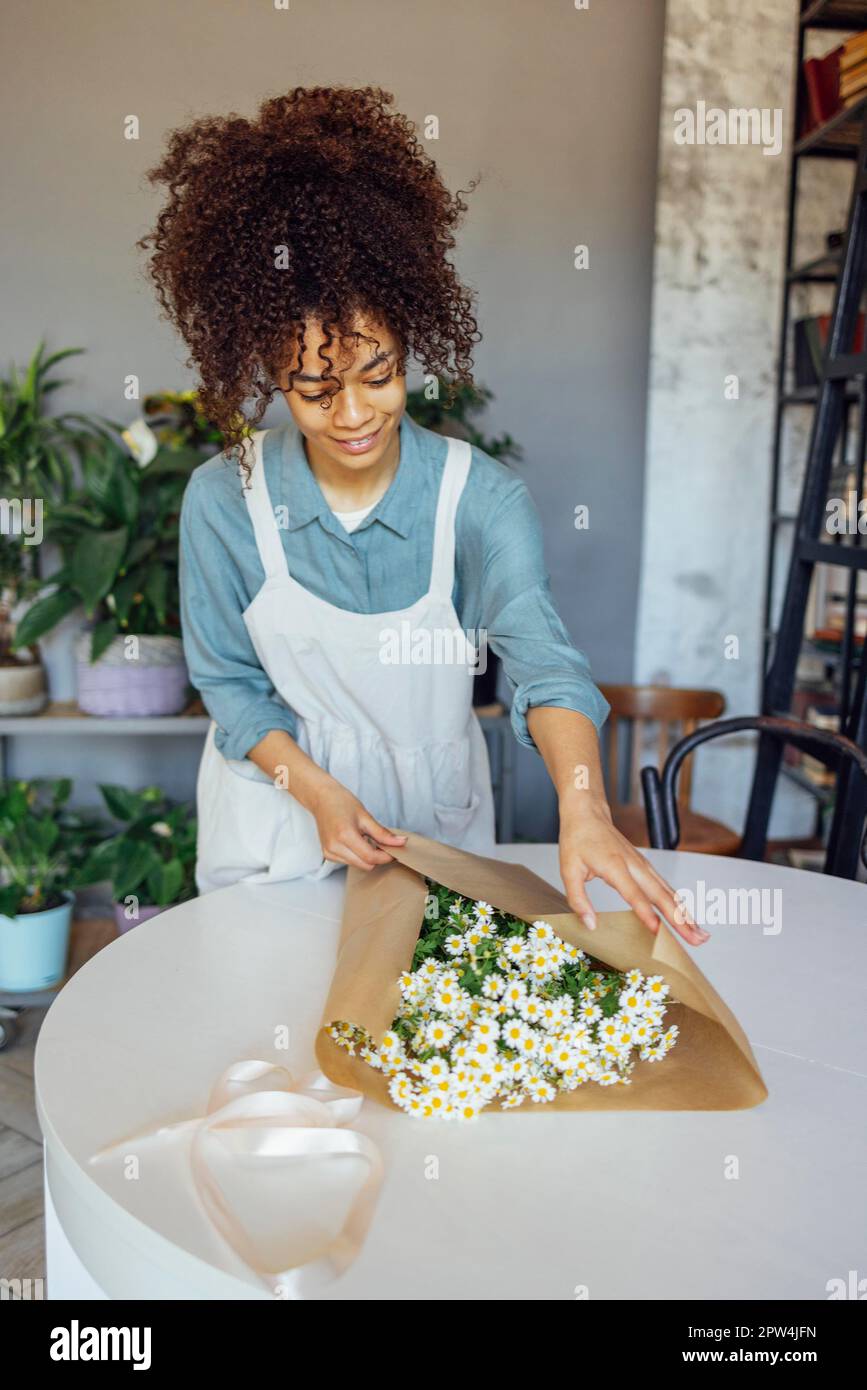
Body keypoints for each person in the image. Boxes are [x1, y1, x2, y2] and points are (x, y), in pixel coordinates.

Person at [138, 84, 706, 946]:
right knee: (273, 1052)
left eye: (381, 375)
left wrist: (583, 810)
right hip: (279, 823)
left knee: (428, 1049)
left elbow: (545, 665)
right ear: (268, 372)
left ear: (410, 347)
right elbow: (229, 687)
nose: (356, 414)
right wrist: (317, 791)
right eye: (317, 390)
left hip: (438, 827)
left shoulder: (479, 499)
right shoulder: (224, 500)